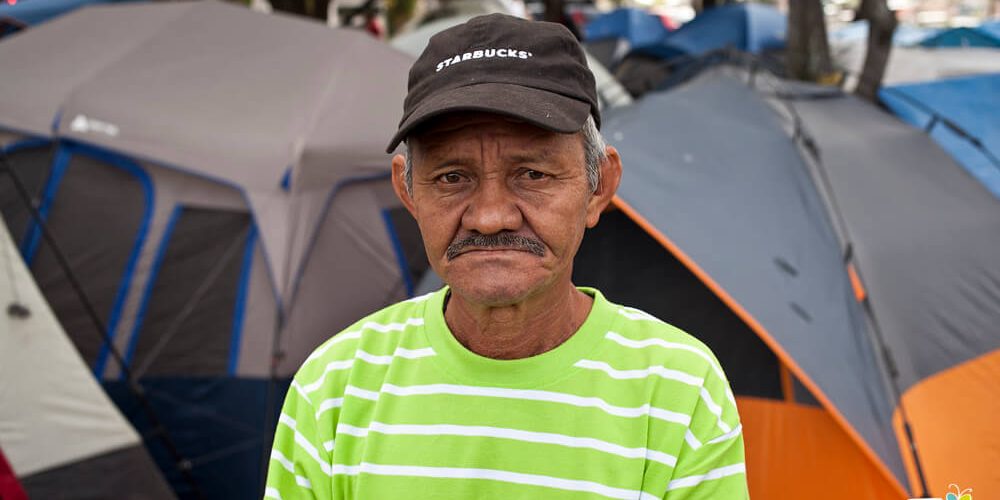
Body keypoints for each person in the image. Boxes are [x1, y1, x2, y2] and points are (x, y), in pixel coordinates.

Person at [265, 13, 748, 500]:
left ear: (599, 186)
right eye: (453, 177)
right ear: (408, 193)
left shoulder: (678, 391)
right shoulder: (334, 388)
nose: (491, 217)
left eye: (533, 174)